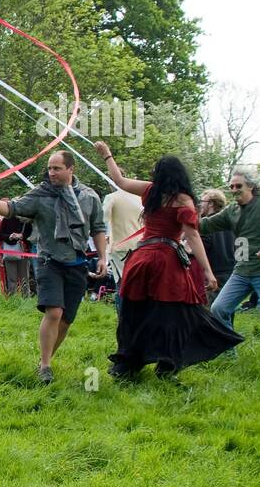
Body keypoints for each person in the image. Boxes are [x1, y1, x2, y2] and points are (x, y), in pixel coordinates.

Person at [94, 143, 244, 377]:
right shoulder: (183, 200)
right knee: (173, 314)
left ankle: (127, 365)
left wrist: (107, 155)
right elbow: (193, 236)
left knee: (136, 311)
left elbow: (120, 181)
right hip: (166, 261)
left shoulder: (150, 191)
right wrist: (208, 272)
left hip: (141, 259)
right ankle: (167, 365)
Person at [0, 151, 108, 384]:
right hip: (49, 261)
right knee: (54, 312)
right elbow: (10, 208)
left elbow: (98, 229)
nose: (51, 173)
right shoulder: (41, 194)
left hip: (78, 264)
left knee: (66, 320)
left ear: (71, 169)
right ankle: (46, 366)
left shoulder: (90, 197)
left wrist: (102, 257)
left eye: (57, 168)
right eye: (49, 168)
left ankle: (44, 360)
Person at [196, 164, 260, 368]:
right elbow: (205, 225)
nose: (233, 190)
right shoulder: (232, 211)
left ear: (250, 186)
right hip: (241, 272)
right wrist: (184, 215)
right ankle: (229, 354)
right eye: (230, 186)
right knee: (219, 308)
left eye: (238, 185)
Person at [102, 184, 145, 308]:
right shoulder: (140, 198)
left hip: (120, 249)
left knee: (121, 287)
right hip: (140, 247)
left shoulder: (112, 197)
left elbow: (102, 218)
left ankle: (123, 320)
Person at [198, 189, 234, 300]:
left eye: (202, 201)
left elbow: (203, 245)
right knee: (226, 309)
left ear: (211, 204)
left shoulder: (207, 223)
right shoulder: (229, 222)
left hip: (214, 272)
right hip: (231, 271)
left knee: (211, 311)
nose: (200, 204)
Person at [0, 212, 32, 297]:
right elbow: (0, 235)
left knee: (24, 278)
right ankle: (12, 300)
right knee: (11, 278)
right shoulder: (7, 219)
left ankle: (26, 299)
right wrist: (9, 236)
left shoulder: (27, 219)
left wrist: (21, 236)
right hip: (9, 252)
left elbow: (30, 234)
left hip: (24, 251)